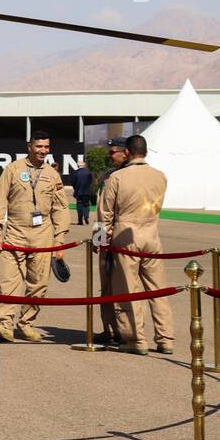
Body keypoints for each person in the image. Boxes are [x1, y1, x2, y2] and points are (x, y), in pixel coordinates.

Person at [0, 131, 70, 343]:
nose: (43, 151)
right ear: (29, 146)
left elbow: (60, 207)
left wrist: (60, 239)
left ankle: (26, 324)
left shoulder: (52, 174)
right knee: (7, 281)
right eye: (39, 146)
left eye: (46, 147)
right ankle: (4, 325)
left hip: (43, 236)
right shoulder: (13, 169)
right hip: (15, 233)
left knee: (38, 284)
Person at [99, 134, 175, 355]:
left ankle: (135, 339)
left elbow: (104, 215)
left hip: (125, 235)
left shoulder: (117, 178)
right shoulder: (160, 176)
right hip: (152, 233)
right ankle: (166, 338)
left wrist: (100, 243)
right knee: (158, 289)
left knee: (128, 290)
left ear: (128, 152)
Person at [93, 137, 130, 345]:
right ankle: (109, 328)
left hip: (120, 238)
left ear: (125, 152)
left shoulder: (127, 176)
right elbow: (101, 211)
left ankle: (125, 331)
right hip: (104, 238)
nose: (109, 155)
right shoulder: (108, 175)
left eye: (112, 152)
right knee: (105, 286)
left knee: (121, 286)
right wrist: (98, 239)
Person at [70, 159, 95, 226]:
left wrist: (76, 189)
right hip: (87, 192)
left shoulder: (75, 172)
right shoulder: (88, 172)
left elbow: (73, 182)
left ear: (78, 165)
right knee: (86, 205)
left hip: (78, 192)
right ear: (84, 165)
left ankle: (80, 220)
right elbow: (91, 182)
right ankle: (86, 216)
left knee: (79, 205)